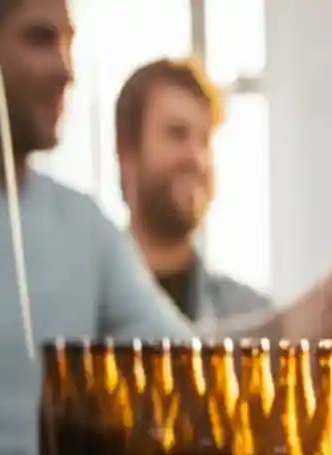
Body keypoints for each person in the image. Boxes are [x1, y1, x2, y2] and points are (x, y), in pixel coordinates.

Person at [0, 0, 332, 455]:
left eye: (69, 42)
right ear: (125, 150)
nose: (66, 69)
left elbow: (193, 365)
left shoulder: (82, 230)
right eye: (39, 38)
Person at [115, 58, 272, 321]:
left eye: (205, 139)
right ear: (127, 152)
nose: (197, 158)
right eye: (177, 134)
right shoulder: (82, 314)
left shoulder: (251, 316)